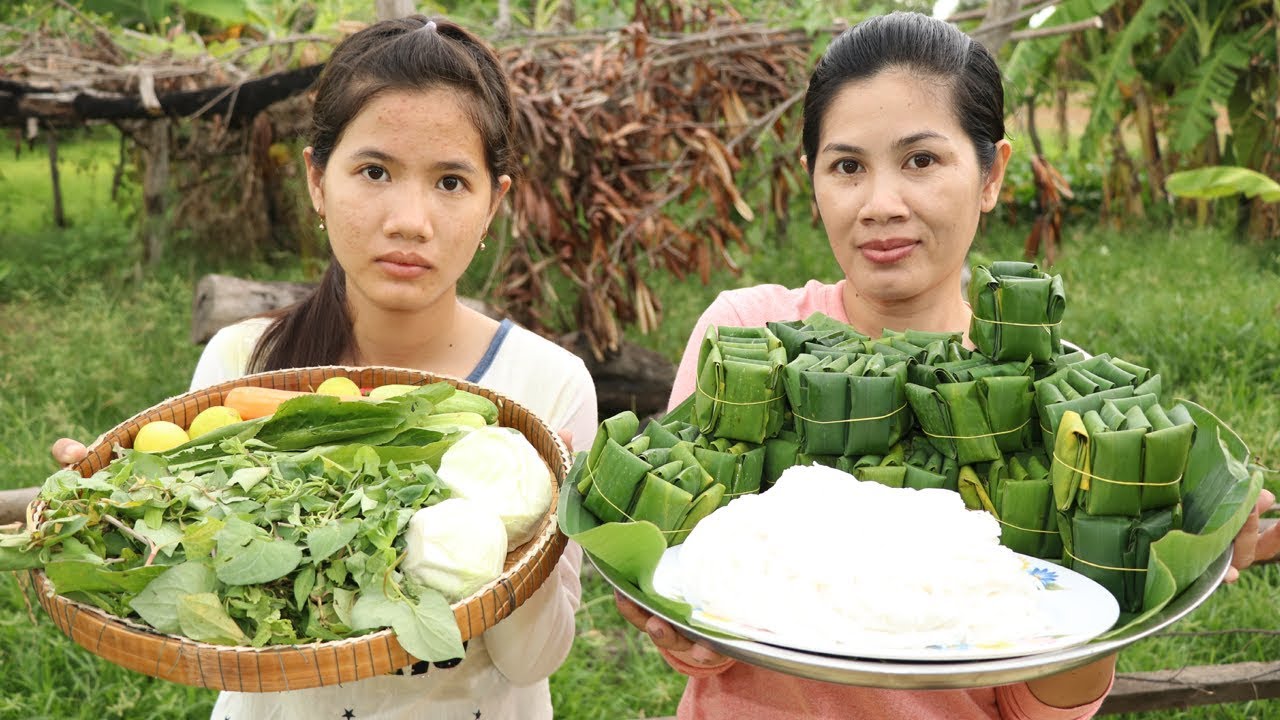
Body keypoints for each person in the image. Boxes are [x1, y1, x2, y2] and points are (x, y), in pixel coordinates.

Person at [614, 11, 1279, 720]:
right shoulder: (746, 334)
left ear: (991, 175)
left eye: (921, 161)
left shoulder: (1065, 417)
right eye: (847, 167)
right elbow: (678, 579)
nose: (881, 205)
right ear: (812, 181)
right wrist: (688, 629)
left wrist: (1154, 565)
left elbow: (1039, 709)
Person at [52, 16, 597, 720]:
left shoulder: (545, 385)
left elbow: (533, 660)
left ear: (496, 201)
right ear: (316, 180)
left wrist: (532, 525)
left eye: (451, 182)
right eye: (374, 172)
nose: (410, 220)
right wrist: (110, 515)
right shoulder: (241, 366)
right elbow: (203, 611)